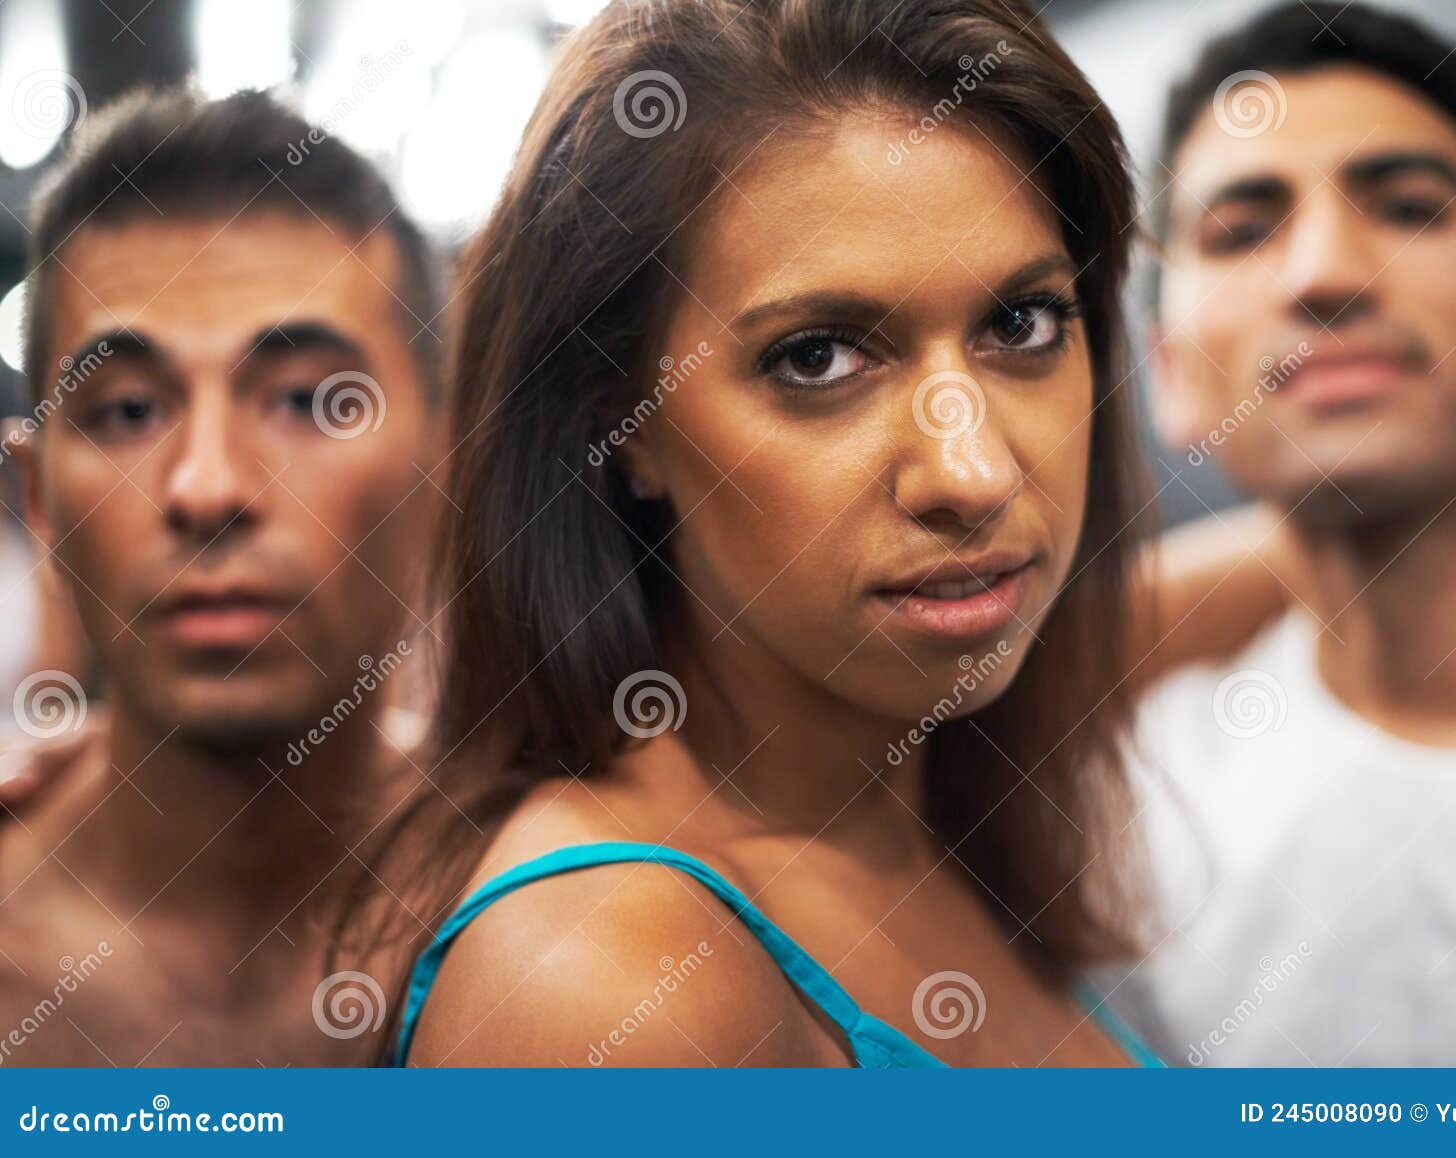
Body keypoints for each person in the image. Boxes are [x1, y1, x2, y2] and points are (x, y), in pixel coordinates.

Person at [374, 0, 1164, 1068]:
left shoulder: (950, 815)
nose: (972, 473)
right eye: (819, 359)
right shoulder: (609, 989)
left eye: (1019, 324)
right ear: (619, 422)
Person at [1101, 1, 1456, 1065]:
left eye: (1411, 208)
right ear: (1175, 373)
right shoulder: (1132, 821)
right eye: (1241, 231)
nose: (1323, 273)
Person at [0, 88, 442, 1065]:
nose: (207, 487)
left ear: (446, 471)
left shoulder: (581, 928)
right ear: (37, 499)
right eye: (124, 411)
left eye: (306, 400)